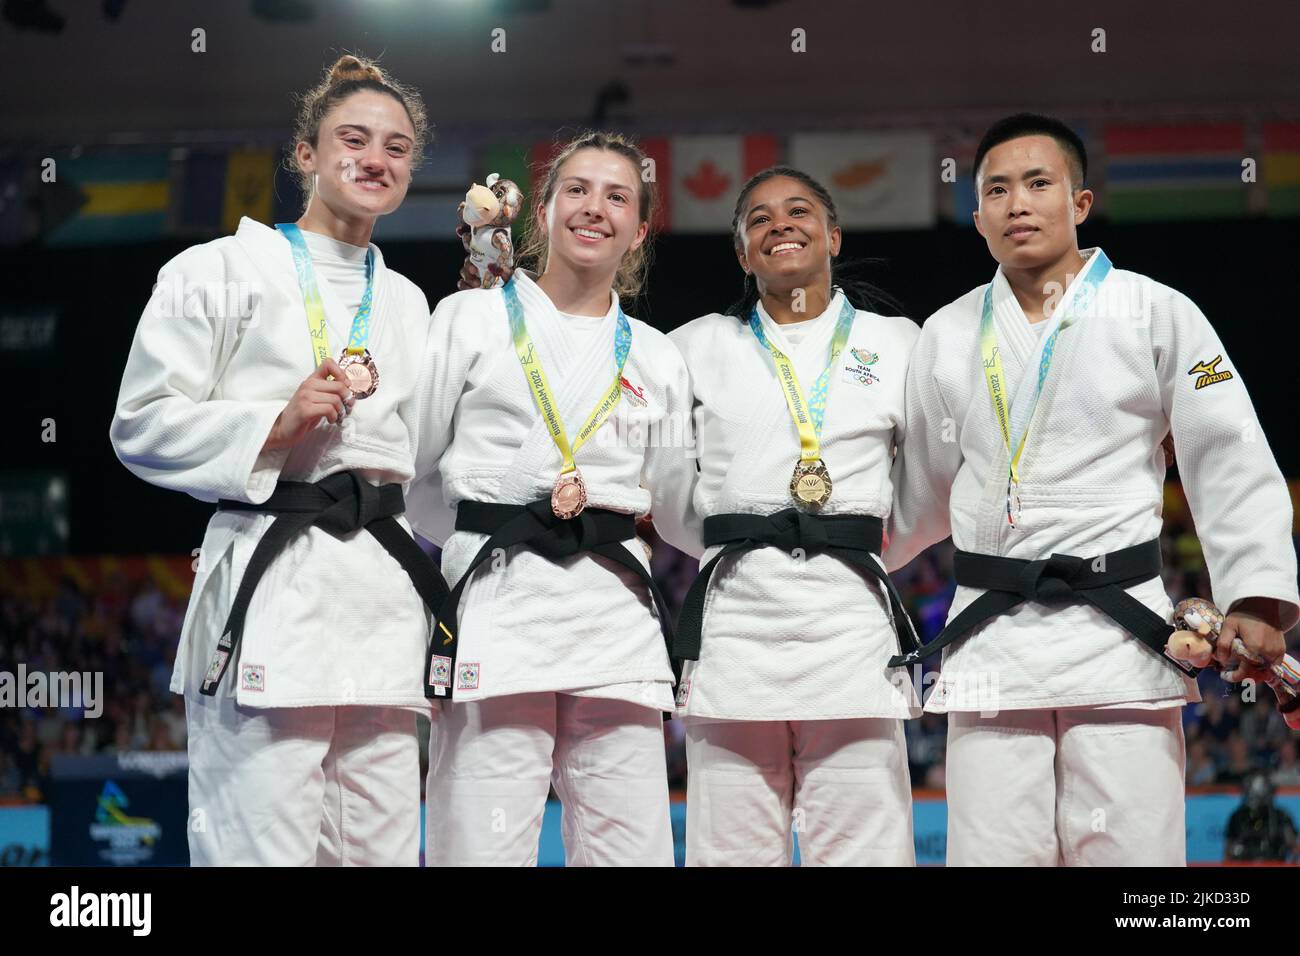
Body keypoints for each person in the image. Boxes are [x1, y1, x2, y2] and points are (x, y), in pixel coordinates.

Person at [886, 113, 1299, 866]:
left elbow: (1227, 451)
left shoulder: (1159, 313)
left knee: (1133, 864)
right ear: (976, 218)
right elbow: (915, 493)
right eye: (998, 190)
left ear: (1079, 202)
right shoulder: (945, 334)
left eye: (1038, 184)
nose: (1018, 203)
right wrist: (821, 558)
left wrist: (1258, 595)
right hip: (991, 644)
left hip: (1122, 639)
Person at [110, 55, 440, 865]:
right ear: (305, 155)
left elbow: (433, 459)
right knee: (256, 853)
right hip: (270, 595)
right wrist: (271, 423)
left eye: (397, 148)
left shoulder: (408, 302)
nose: (375, 160)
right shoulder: (215, 271)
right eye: (353, 139)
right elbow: (139, 424)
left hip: (383, 607)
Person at [407, 131, 698, 866]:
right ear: (542, 210)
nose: (594, 207)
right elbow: (415, 475)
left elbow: (671, 503)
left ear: (639, 229)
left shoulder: (658, 355)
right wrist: (488, 538)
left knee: (630, 852)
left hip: (616, 630)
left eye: (617, 196)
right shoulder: (468, 320)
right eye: (576, 189)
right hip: (496, 617)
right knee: (479, 847)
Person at [665, 167, 920, 865]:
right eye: (758, 219)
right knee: (731, 851)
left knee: (865, 850)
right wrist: (736, 543)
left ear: (833, 235)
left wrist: (863, 548)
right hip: (734, 633)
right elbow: (667, 493)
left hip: (853, 632)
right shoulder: (691, 347)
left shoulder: (896, 343)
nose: (780, 223)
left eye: (799, 211)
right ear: (744, 254)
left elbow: (928, 482)